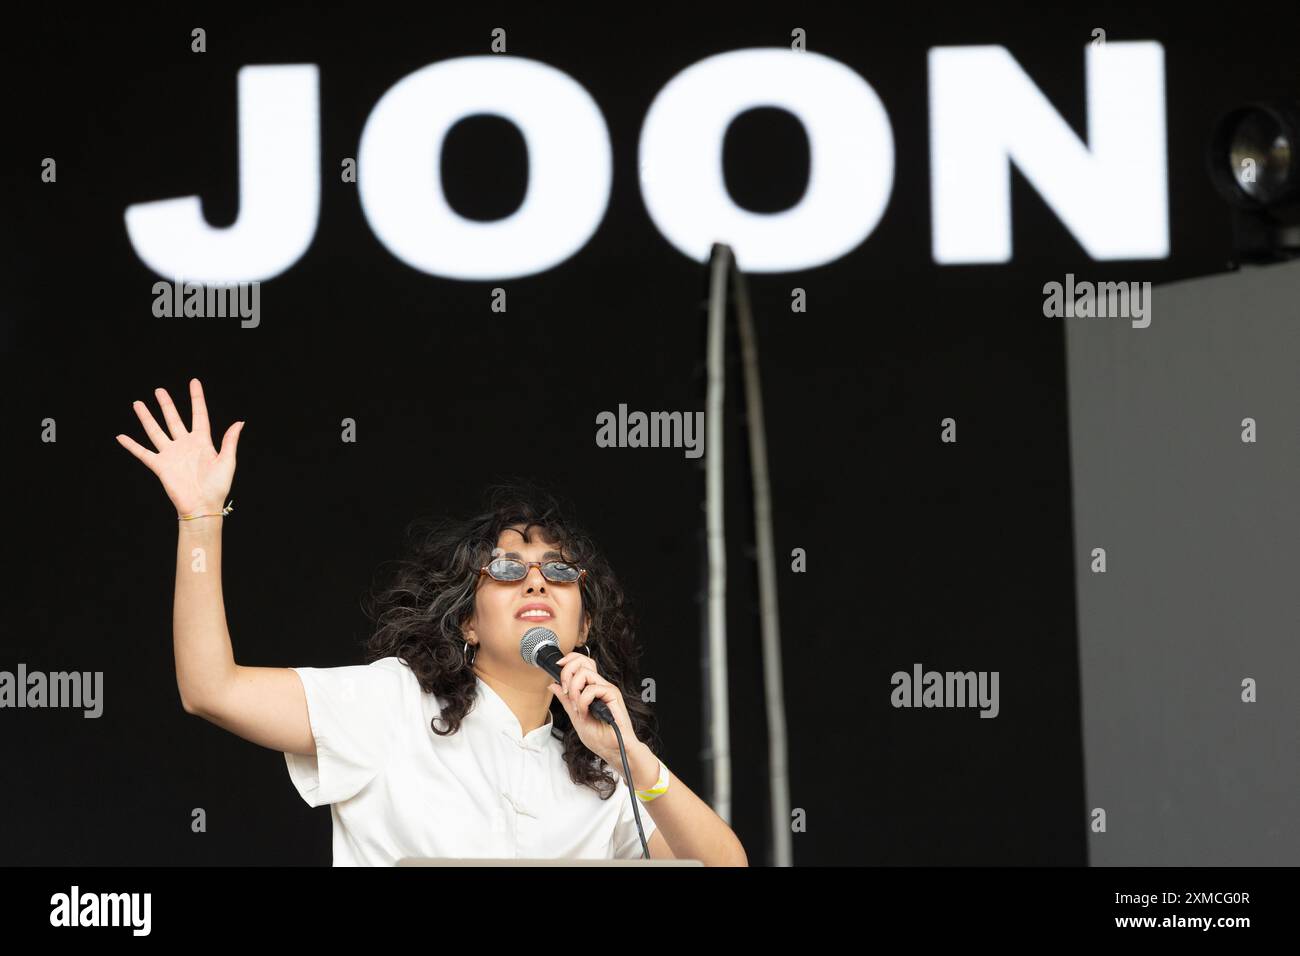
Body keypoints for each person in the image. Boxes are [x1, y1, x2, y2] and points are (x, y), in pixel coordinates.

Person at [115, 377, 748, 866]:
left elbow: (726, 864)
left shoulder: (604, 775)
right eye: (505, 570)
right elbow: (211, 689)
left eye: (559, 573)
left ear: (583, 628)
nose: (535, 580)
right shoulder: (392, 703)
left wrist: (632, 758)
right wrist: (201, 520)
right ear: (467, 623)